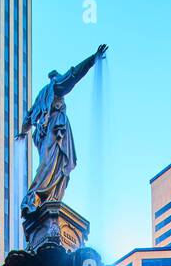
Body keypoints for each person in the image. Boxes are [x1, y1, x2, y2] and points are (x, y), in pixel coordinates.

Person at [20, 45, 107, 217]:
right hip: (54, 130)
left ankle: (46, 200)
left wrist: (23, 131)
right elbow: (74, 75)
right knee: (50, 166)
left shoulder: (41, 96)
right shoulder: (55, 86)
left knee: (56, 168)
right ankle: (32, 199)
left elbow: (28, 118)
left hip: (51, 131)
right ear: (55, 78)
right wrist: (93, 59)